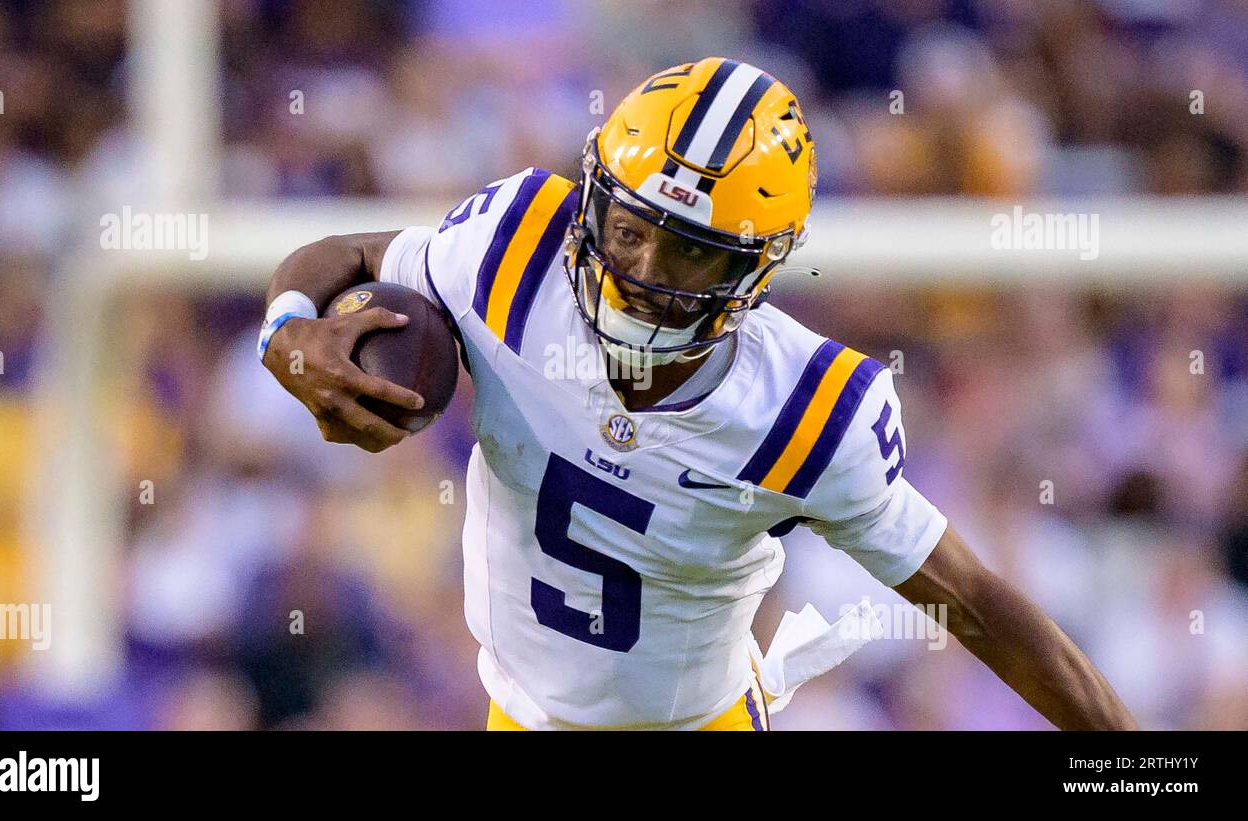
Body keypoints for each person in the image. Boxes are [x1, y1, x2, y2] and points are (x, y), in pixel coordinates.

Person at [259, 58, 1136, 730]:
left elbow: (975, 600)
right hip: (517, 715)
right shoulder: (513, 255)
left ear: (756, 267)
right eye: (629, 228)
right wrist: (289, 334)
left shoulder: (804, 413)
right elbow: (350, 253)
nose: (641, 270)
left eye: (689, 251)